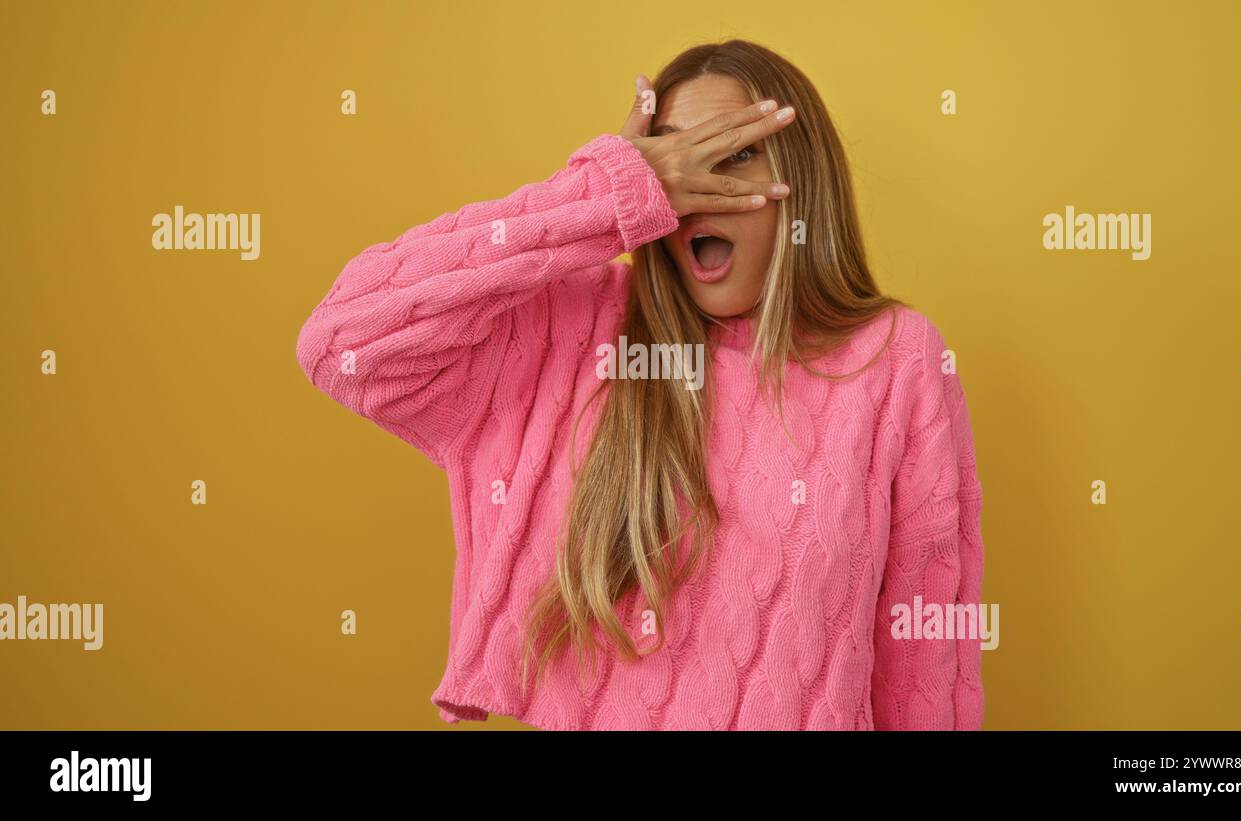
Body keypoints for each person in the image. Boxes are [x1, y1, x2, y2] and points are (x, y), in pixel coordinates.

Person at [295, 39, 985, 730]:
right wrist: (603, 192)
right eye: (674, 158)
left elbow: (926, 657)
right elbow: (343, 341)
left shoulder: (894, 360)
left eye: (735, 151)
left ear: (802, 182)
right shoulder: (573, 329)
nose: (698, 187)